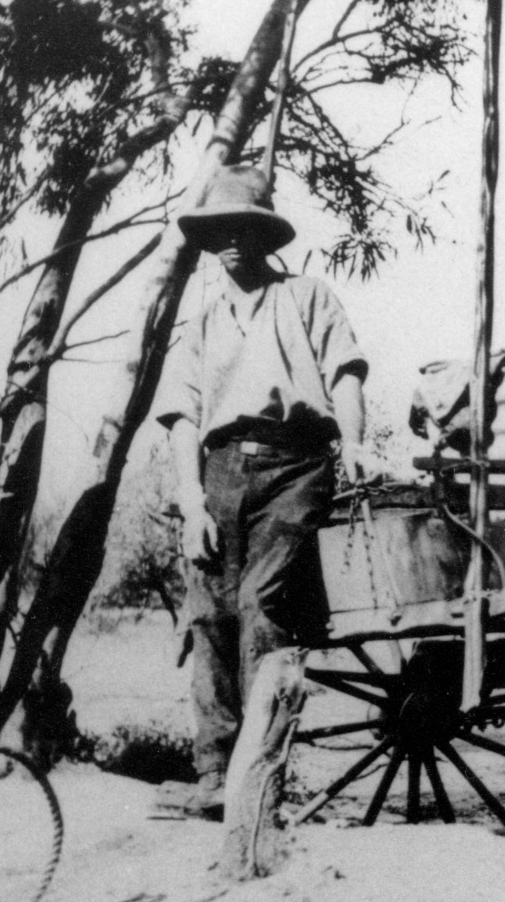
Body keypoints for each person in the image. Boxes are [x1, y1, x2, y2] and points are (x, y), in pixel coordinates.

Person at [152, 164, 374, 819]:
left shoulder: (307, 296)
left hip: (295, 468)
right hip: (220, 472)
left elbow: (346, 372)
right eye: (218, 229)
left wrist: (355, 447)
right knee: (211, 611)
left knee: (262, 602)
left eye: (243, 227)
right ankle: (215, 772)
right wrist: (191, 502)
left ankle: (260, 772)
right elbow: (182, 416)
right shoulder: (201, 321)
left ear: (263, 233)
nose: (231, 241)